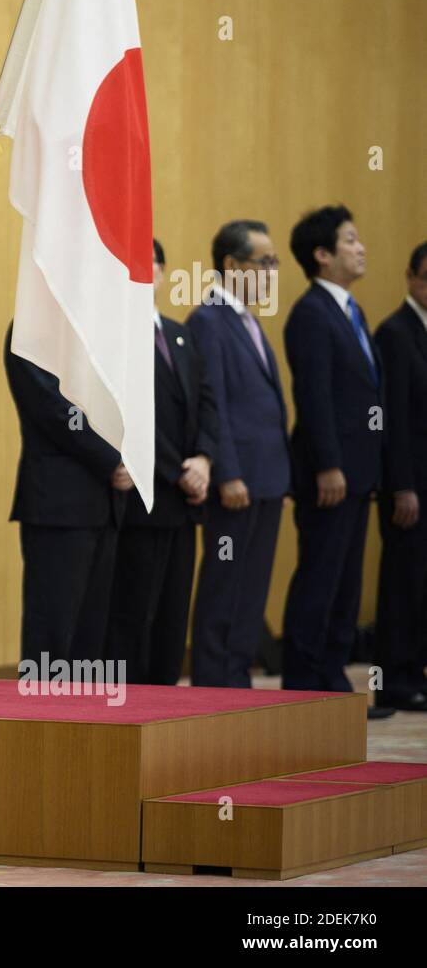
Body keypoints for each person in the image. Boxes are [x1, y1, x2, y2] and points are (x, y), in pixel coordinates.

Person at [280, 205, 392, 718]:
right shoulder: (310, 313)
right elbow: (315, 395)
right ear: (322, 256)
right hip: (329, 475)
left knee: (346, 586)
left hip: (357, 473)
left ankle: (332, 688)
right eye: (350, 240)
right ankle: (304, 688)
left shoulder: (352, 311)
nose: (361, 247)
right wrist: (329, 464)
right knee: (321, 580)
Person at [106, 239, 218, 684]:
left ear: (164, 272)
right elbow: (131, 416)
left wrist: (205, 461)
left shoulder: (180, 333)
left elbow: (208, 402)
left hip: (186, 498)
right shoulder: (114, 336)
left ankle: (168, 702)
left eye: (152, 262)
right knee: (134, 612)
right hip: (145, 495)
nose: (145, 269)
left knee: (174, 615)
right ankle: (132, 706)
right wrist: (178, 471)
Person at [187, 221, 290, 687]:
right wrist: (227, 472)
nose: (272, 271)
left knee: (251, 591)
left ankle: (238, 684)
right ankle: (214, 686)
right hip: (237, 480)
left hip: (265, 478)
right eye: (264, 262)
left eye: (274, 262)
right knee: (225, 587)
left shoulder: (247, 320)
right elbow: (214, 406)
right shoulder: (208, 320)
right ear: (231, 265)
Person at [5, 324, 129, 665]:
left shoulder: (92, 322)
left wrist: (132, 455)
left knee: (89, 643)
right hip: (59, 505)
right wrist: (113, 459)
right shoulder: (31, 327)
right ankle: (43, 718)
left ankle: (84, 718)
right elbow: (54, 409)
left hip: (106, 503)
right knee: (52, 637)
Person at [371, 240, 427, 711]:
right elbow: (393, 418)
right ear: (411, 278)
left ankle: (417, 673)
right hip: (409, 484)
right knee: (403, 584)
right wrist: (402, 484)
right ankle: (395, 679)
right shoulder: (395, 332)